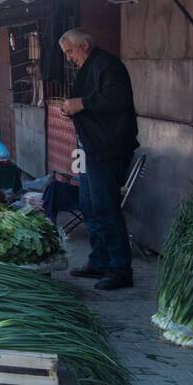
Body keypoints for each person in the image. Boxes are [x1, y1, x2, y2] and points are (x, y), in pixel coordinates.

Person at [58, 28, 139, 291]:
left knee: (106, 207)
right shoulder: (90, 65)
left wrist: (79, 103)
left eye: (70, 51)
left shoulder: (107, 65)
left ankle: (119, 269)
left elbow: (116, 98)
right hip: (90, 147)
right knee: (89, 205)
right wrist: (71, 108)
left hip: (108, 148)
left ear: (84, 44)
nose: (69, 57)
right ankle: (100, 260)